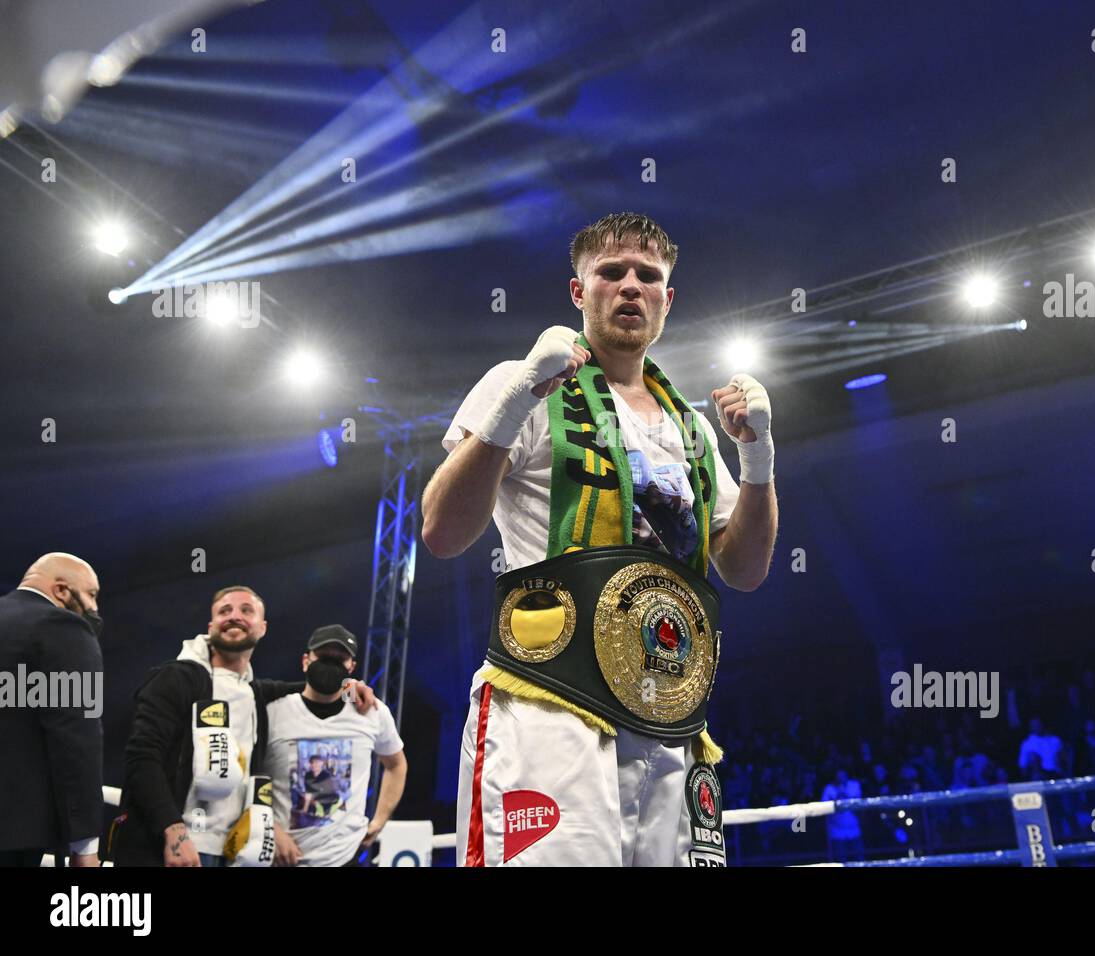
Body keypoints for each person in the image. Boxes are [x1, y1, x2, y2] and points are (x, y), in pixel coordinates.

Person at [422, 212, 779, 866]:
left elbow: (746, 569)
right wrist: (516, 400)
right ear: (578, 292)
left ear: (668, 300)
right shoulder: (522, 381)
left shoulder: (692, 431)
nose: (631, 286)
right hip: (551, 702)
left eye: (649, 276)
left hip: (669, 716)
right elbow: (442, 531)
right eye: (611, 273)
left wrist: (758, 459)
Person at [110, 587, 376, 866]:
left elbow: (310, 688)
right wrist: (173, 831)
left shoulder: (255, 693)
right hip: (171, 846)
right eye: (225, 611)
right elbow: (142, 757)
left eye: (246, 611)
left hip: (231, 851)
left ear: (262, 628)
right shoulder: (176, 677)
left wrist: (348, 684)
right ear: (211, 626)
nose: (234, 616)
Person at [267, 625, 406, 867]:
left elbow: (396, 764)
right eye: (323, 657)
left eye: (340, 659)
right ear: (305, 661)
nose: (330, 664)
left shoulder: (371, 711)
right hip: (279, 857)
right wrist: (269, 828)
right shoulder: (274, 710)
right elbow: (247, 776)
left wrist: (379, 821)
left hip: (344, 859)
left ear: (351, 666)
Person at [0, 553, 104, 867]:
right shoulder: (61, 625)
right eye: (92, 594)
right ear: (61, 590)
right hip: (11, 830)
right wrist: (85, 845)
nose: (95, 607)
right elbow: (77, 737)